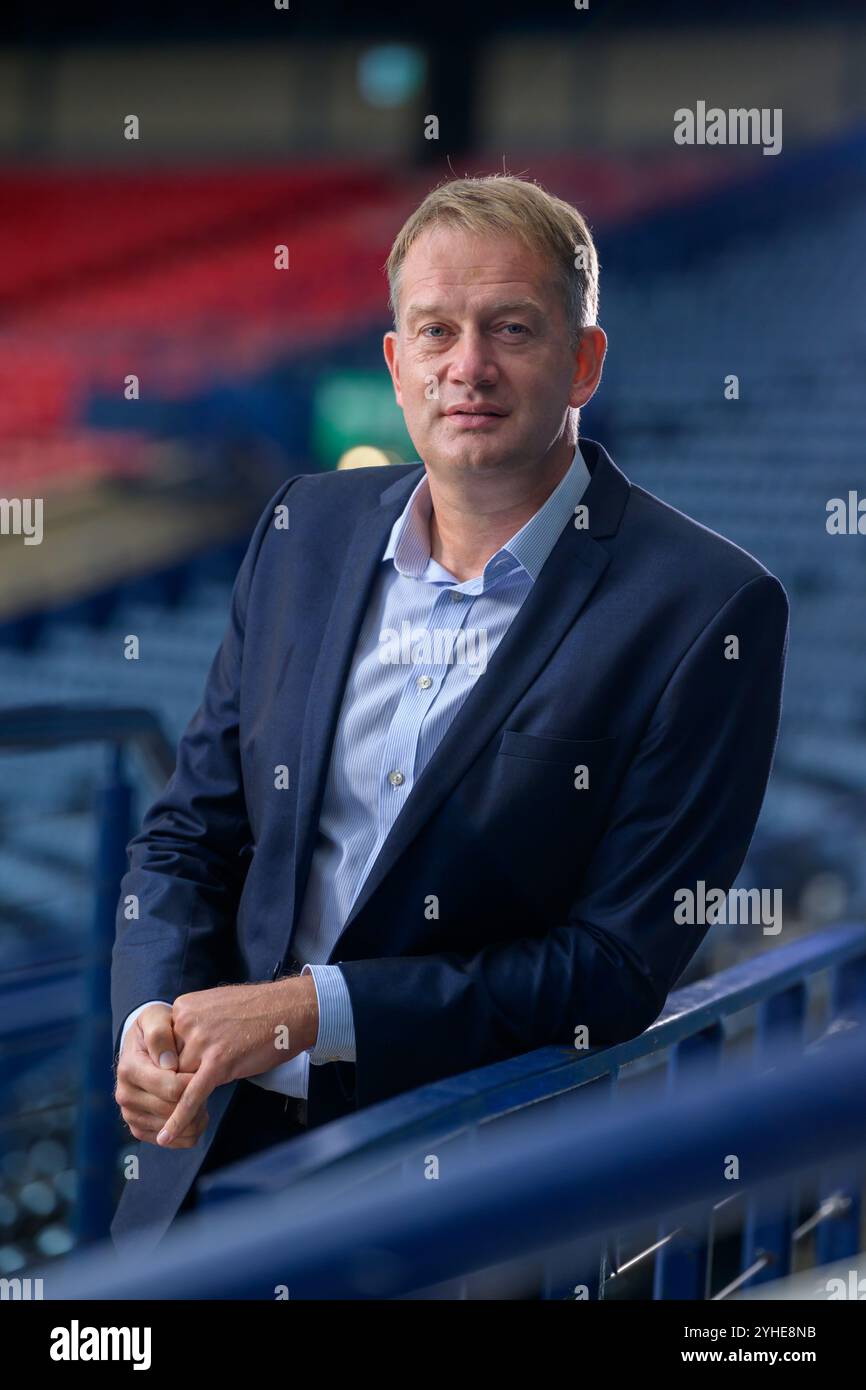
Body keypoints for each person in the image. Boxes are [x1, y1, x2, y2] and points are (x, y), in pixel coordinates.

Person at [111, 174, 788, 1253]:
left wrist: (302, 1011)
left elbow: (610, 973)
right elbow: (191, 830)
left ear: (583, 360)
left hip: (462, 1182)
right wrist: (150, 1014)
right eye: (435, 330)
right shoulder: (302, 527)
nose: (465, 367)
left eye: (509, 329)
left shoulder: (704, 608)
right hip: (210, 1150)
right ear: (395, 363)